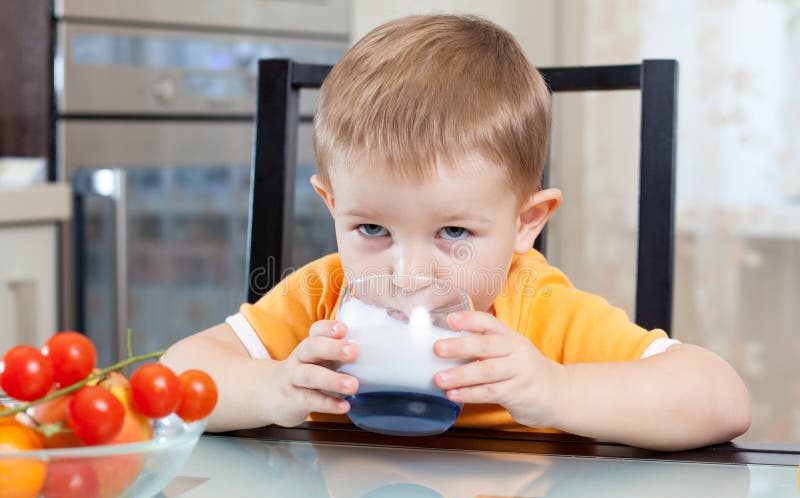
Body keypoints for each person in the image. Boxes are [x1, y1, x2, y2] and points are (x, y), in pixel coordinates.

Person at [162, 14, 750, 450]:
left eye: (452, 232)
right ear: (331, 204)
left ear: (526, 223)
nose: (408, 274)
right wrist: (270, 388)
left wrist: (557, 390)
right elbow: (178, 374)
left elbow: (720, 399)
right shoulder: (323, 297)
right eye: (372, 227)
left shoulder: (540, 311)